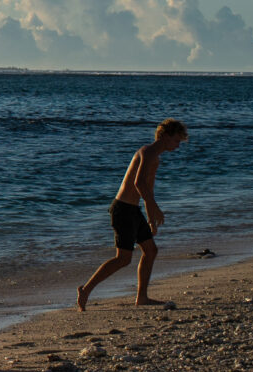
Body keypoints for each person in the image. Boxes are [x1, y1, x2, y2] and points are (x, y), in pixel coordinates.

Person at [78, 119, 188, 310]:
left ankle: (142, 297)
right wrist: (155, 208)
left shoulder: (156, 157)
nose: (178, 145)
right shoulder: (148, 152)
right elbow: (139, 184)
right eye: (177, 140)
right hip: (123, 210)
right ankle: (86, 290)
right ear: (165, 136)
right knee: (123, 258)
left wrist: (151, 220)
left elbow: (148, 191)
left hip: (133, 210)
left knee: (151, 250)